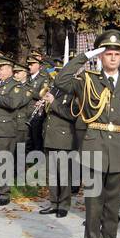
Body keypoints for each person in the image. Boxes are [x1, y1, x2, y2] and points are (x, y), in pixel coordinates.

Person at [55, 28, 120, 238]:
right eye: (108, 53)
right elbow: (61, 80)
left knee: (112, 211)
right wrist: (84, 56)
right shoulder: (88, 80)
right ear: (101, 56)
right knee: (93, 209)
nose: (113, 58)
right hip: (94, 152)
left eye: (117, 53)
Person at [0, 53, 31, 207]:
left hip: (5, 129)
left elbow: (13, 103)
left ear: (9, 69)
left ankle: (4, 194)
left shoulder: (15, 86)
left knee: (4, 162)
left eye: (1, 69)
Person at [39, 68, 76, 218]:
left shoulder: (73, 93)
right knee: (51, 173)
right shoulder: (55, 90)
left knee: (63, 174)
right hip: (50, 136)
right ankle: (54, 203)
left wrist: (53, 103)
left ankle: (64, 204)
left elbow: (72, 115)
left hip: (63, 138)